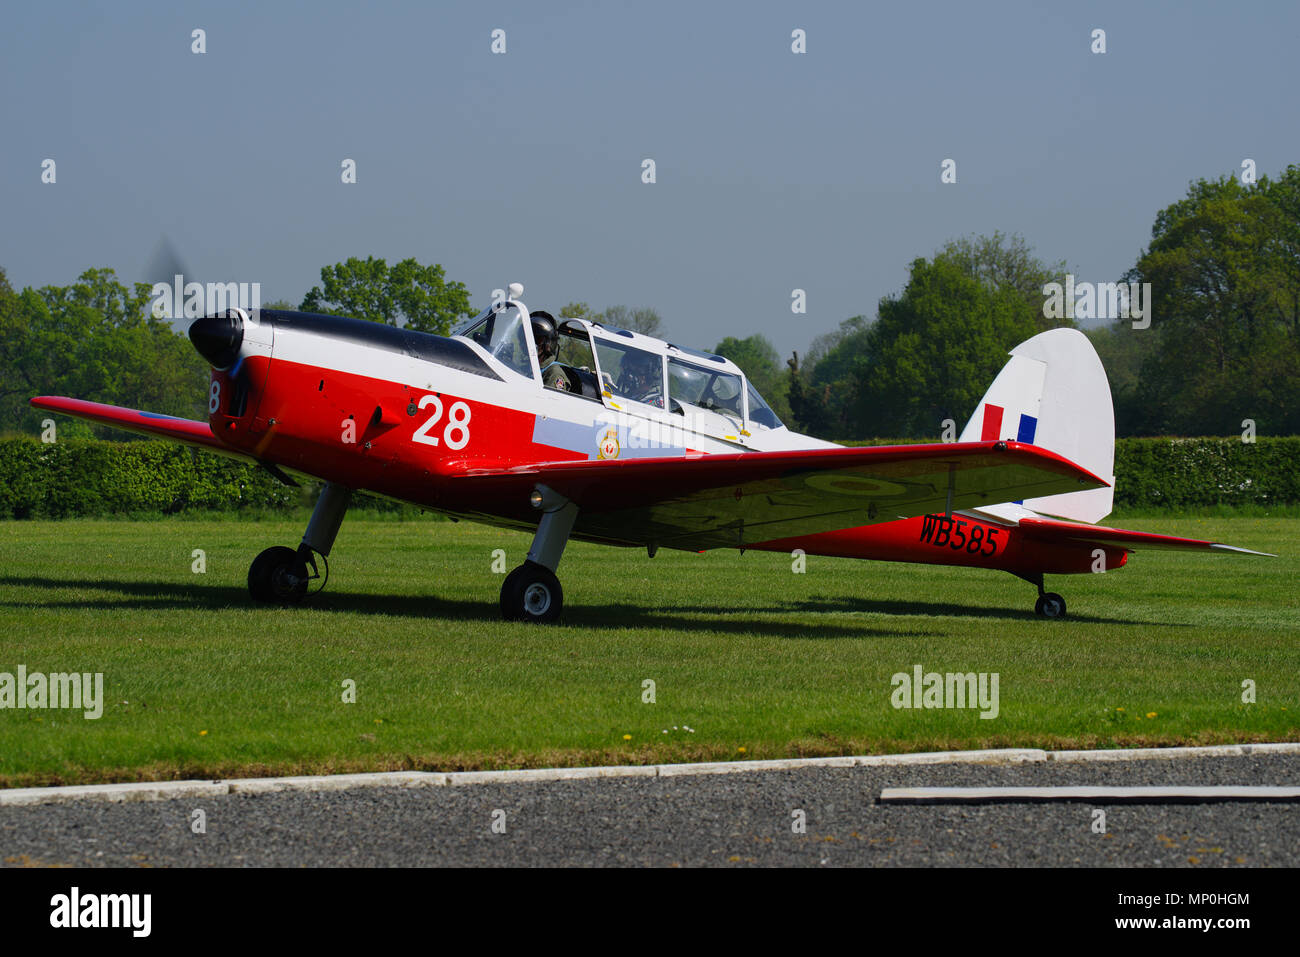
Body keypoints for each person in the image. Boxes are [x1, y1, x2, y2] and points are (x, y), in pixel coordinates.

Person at [530, 311, 570, 391]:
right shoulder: (528, 368)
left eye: (537, 339)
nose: (529, 342)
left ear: (548, 343)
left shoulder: (554, 374)